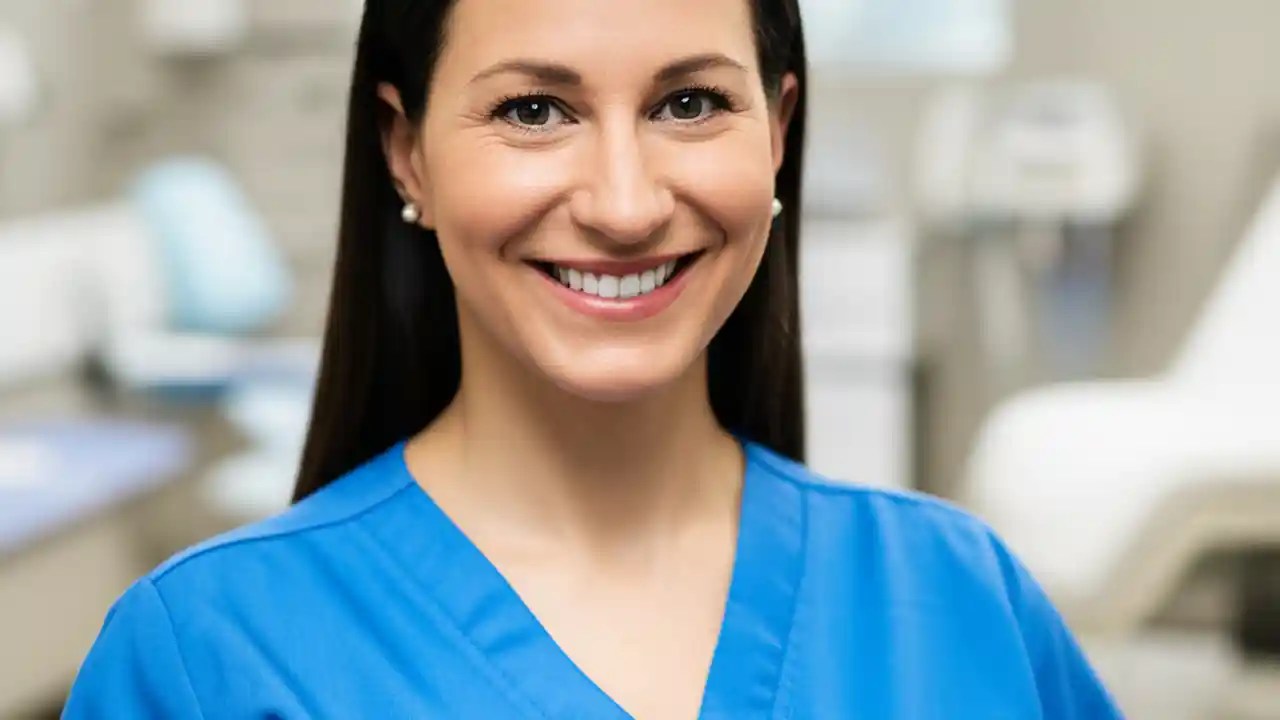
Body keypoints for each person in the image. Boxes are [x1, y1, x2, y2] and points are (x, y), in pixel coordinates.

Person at [63, 0, 1123, 717]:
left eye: (688, 104)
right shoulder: (206, 659)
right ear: (406, 153)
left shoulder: (958, 602)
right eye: (534, 110)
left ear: (777, 132)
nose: (624, 204)